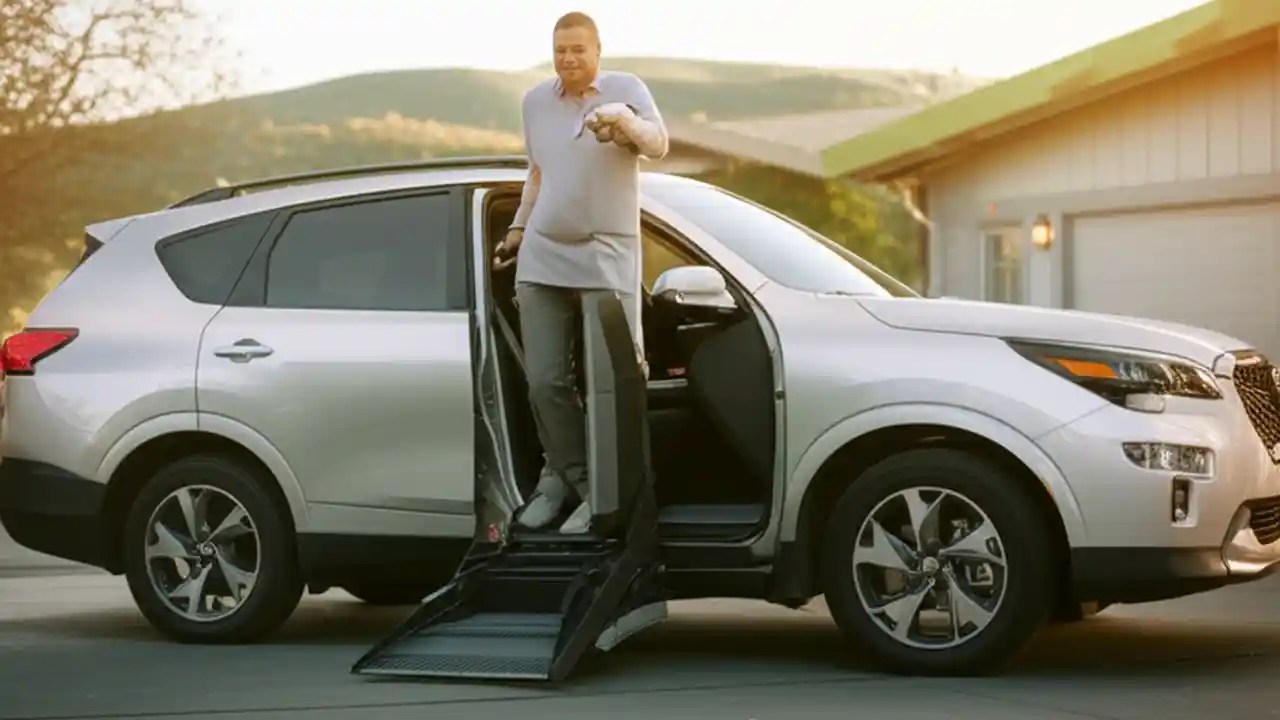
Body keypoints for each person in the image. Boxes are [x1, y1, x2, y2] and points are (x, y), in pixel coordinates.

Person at [494, 10, 668, 534]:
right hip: (544, 251)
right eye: (560, 49)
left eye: (578, 49)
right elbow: (538, 174)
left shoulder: (626, 89)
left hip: (606, 252)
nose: (568, 58)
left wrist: (624, 123)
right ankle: (576, 484)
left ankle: (605, 492)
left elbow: (658, 144)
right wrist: (519, 228)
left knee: (611, 381)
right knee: (545, 382)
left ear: (597, 51)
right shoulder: (534, 102)